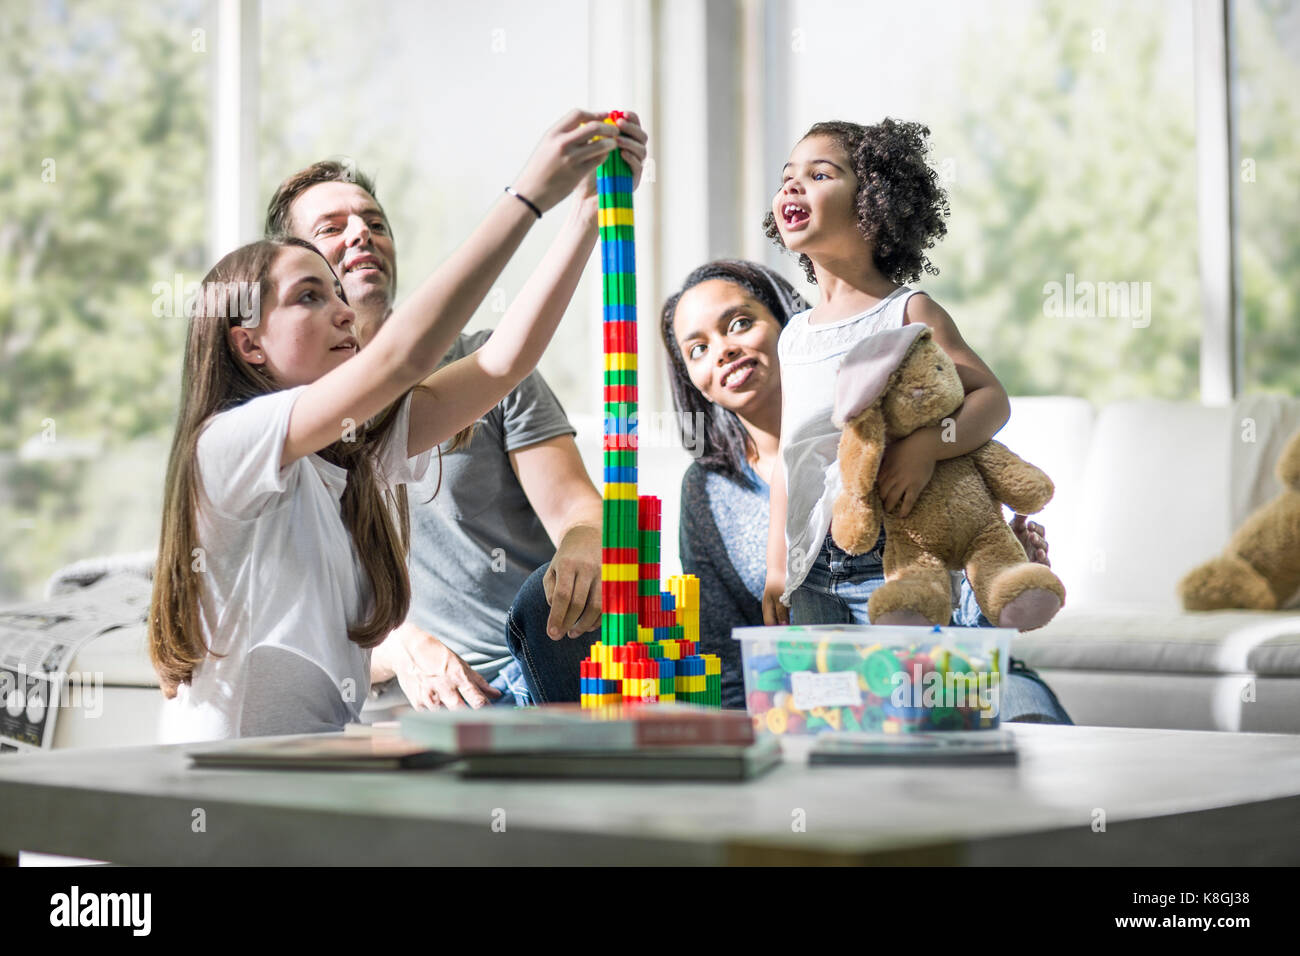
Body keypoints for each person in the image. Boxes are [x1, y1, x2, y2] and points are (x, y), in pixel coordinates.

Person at [149, 109, 630, 740]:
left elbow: (501, 362)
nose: (342, 313)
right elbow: (404, 356)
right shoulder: (228, 443)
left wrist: (587, 214)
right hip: (224, 778)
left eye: (337, 296)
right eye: (309, 297)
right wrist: (527, 195)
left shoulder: (351, 456)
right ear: (249, 345)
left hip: (307, 762)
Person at [264, 113, 648, 710]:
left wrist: (587, 214)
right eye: (331, 228)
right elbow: (294, 622)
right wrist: (397, 648)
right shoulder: (289, 430)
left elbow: (502, 364)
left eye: (374, 222)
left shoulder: (428, 394)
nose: (362, 235)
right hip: (402, 710)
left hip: (537, 680)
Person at [661, 259, 1069, 722]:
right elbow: (722, 651)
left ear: (790, 326)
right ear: (695, 384)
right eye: (697, 349)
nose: (724, 349)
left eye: (739, 323)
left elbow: (961, 615)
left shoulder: (896, 448)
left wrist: (1006, 571)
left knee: (1026, 733)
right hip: (830, 705)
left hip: (953, 680)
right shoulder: (708, 491)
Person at [758, 118, 1063, 632]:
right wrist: (776, 569)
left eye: (820, 174)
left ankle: (999, 582)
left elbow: (991, 397)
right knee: (833, 704)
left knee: (920, 694)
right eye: (788, 175)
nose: (792, 185)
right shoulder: (794, 336)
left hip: (896, 554)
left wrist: (927, 446)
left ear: (873, 205)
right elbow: (792, 459)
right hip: (813, 566)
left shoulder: (907, 312)